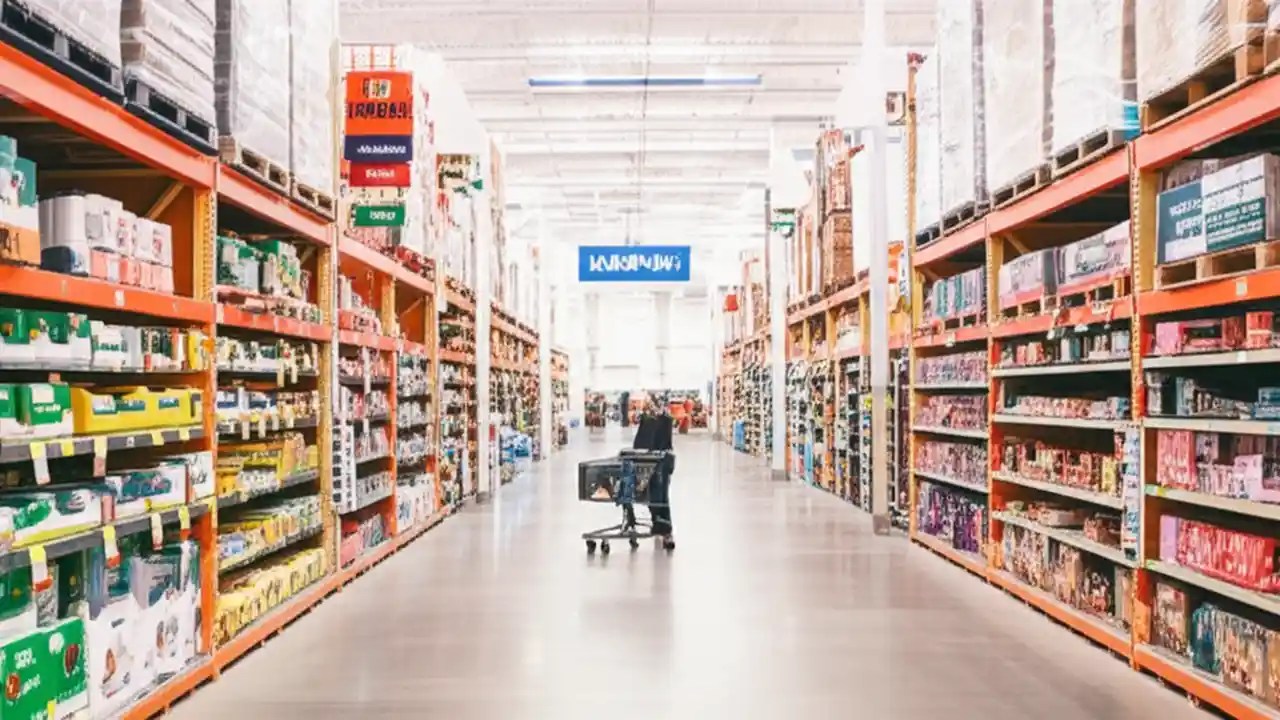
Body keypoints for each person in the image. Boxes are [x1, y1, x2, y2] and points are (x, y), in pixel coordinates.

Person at [632, 403, 674, 547]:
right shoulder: (651, 422)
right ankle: (660, 524)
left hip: (657, 459)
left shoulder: (662, 423)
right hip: (648, 458)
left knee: (658, 495)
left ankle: (663, 526)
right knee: (655, 494)